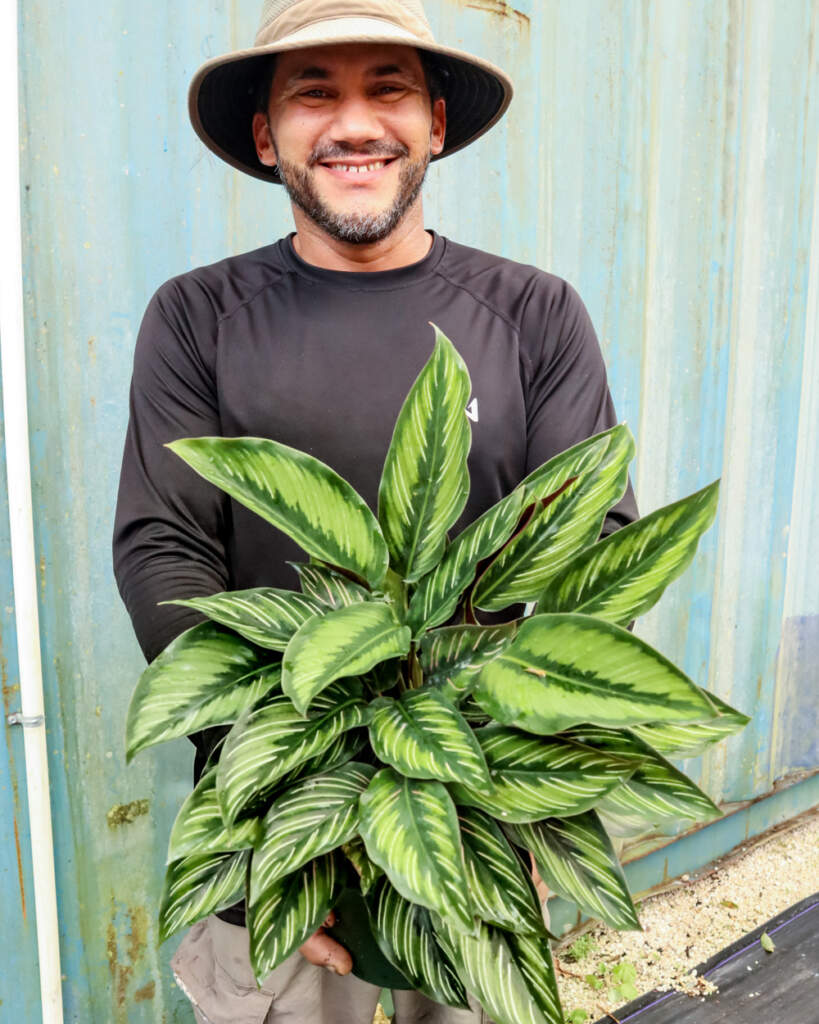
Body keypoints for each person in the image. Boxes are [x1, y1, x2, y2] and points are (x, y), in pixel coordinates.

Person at [113, 1, 638, 1021]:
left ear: (435, 122)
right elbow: (164, 550)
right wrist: (275, 816)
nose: (355, 121)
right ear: (267, 135)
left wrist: (517, 801)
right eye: (315, 92)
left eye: (387, 86)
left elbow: (594, 553)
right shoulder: (197, 318)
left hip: (470, 813)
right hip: (281, 825)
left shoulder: (534, 314)